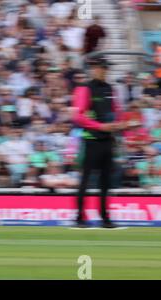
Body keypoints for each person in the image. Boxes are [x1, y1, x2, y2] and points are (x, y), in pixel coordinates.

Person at [72, 57, 130, 228]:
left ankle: (105, 218)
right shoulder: (85, 89)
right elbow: (79, 116)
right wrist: (101, 126)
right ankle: (79, 217)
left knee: (106, 182)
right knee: (86, 180)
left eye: (105, 68)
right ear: (93, 69)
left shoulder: (110, 89)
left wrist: (121, 124)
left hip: (107, 141)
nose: (103, 71)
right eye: (100, 68)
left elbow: (116, 111)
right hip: (91, 141)